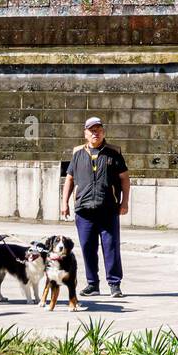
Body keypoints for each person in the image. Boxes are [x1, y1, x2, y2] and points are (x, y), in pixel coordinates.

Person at [61, 116, 130, 298]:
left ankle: (114, 284)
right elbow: (69, 179)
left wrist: (125, 202)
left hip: (108, 209)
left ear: (103, 132)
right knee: (87, 247)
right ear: (85, 133)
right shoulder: (77, 153)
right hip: (83, 210)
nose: (95, 133)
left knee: (111, 247)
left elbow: (124, 179)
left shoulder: (113, 153)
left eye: (98, 130)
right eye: (91, 130)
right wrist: (64, 203)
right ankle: (92, 284)